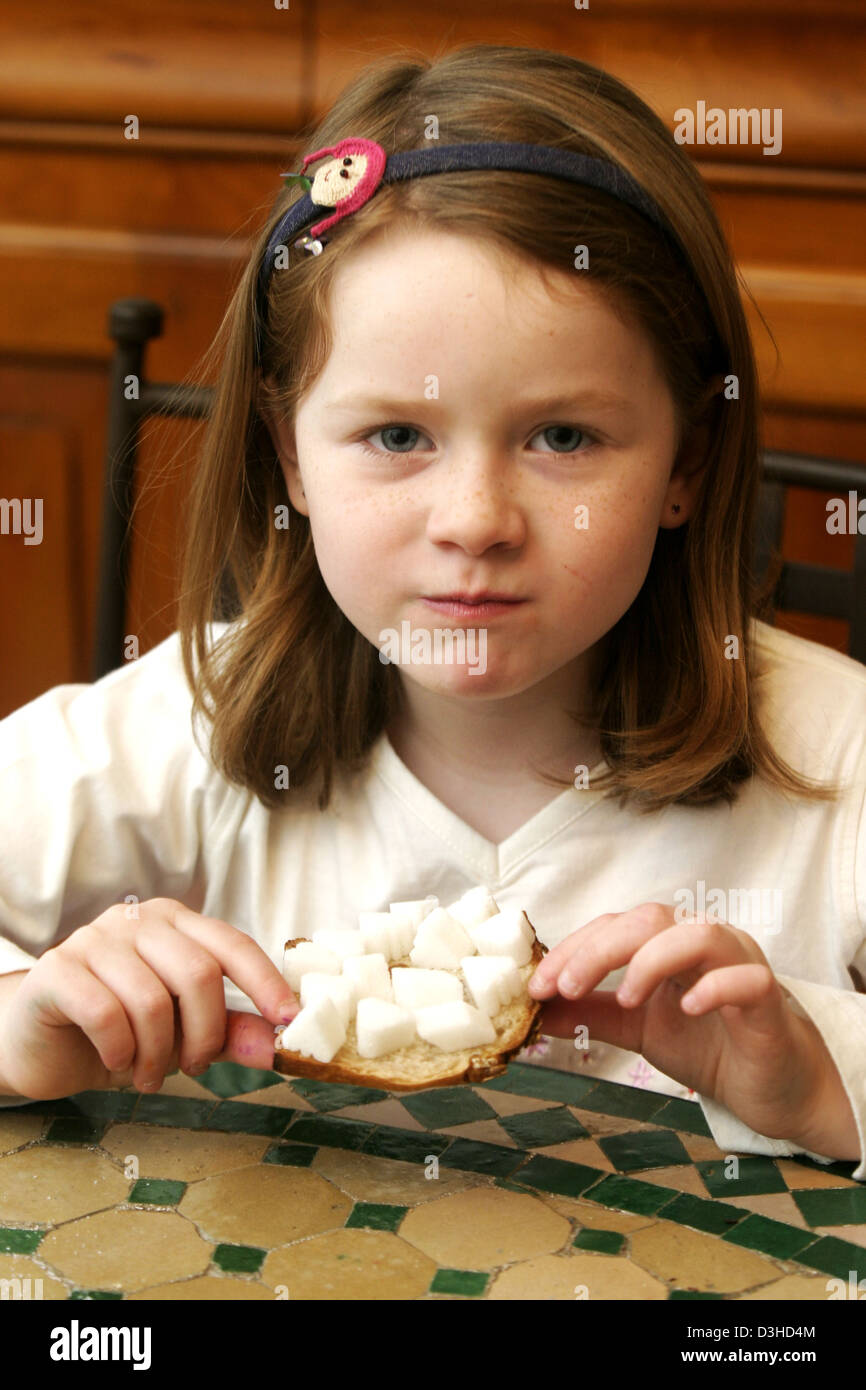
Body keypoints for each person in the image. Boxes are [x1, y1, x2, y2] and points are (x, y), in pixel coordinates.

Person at [0, 45, 863, 1180]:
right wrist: (17, 1023)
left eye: (563, 437)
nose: (474, 520)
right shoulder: (190, 719)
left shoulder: (833, 757)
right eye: (397, 436)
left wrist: (819, 1077)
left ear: (686, 462)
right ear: (289, 457)